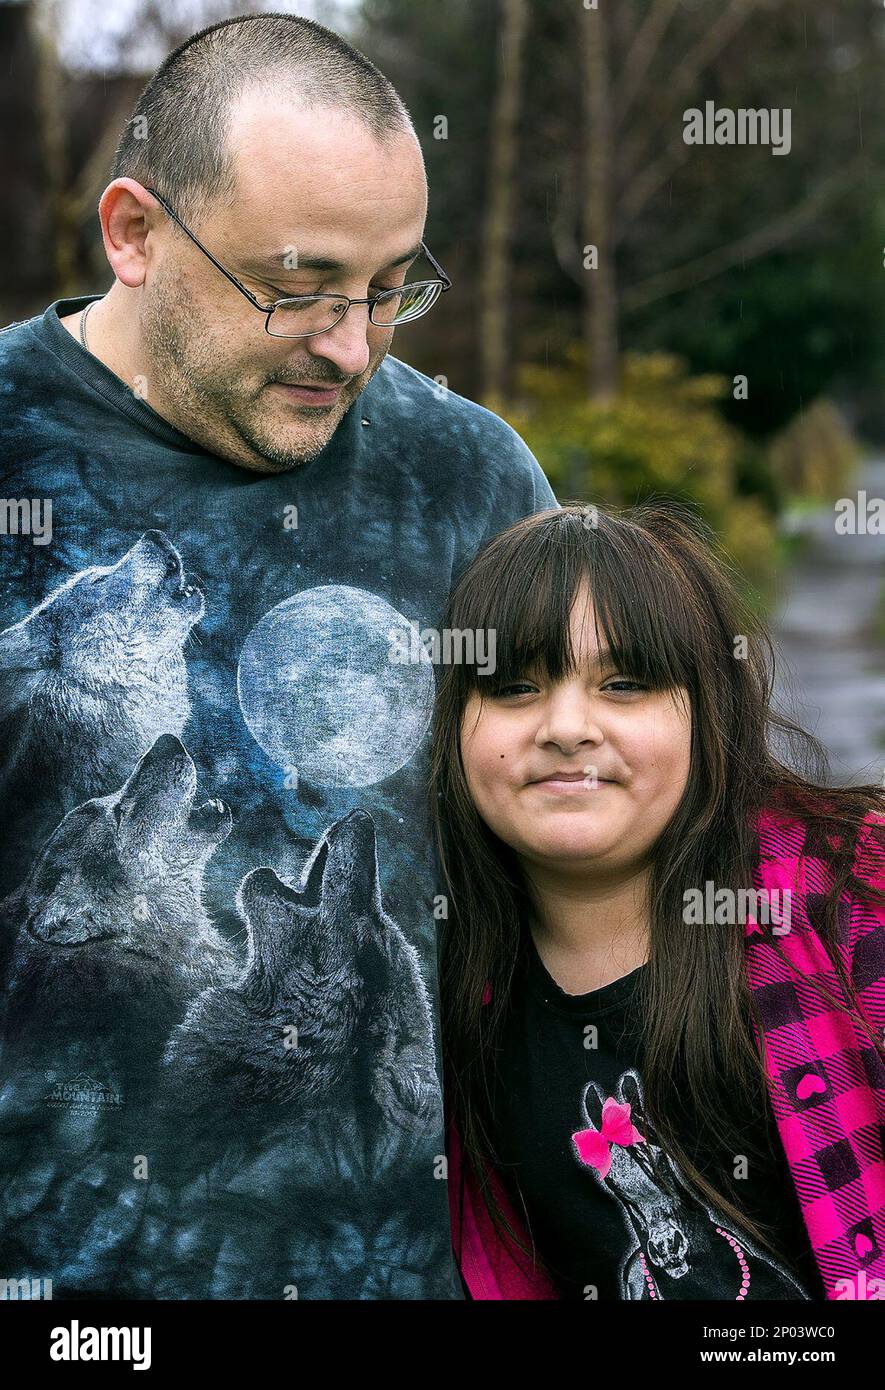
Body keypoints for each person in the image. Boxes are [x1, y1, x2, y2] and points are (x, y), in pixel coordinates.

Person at [0, 13, 557, 1300]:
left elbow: (583, 874)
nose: (352, 344)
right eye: (298, 287)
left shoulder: (472, 478)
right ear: (134, 232)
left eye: (391, 288)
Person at [432, 503, 885, 1301]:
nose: (566, 726)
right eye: (512, 686)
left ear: (707, 711)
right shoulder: (453, 986)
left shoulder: (851, 883)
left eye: (624, 683)